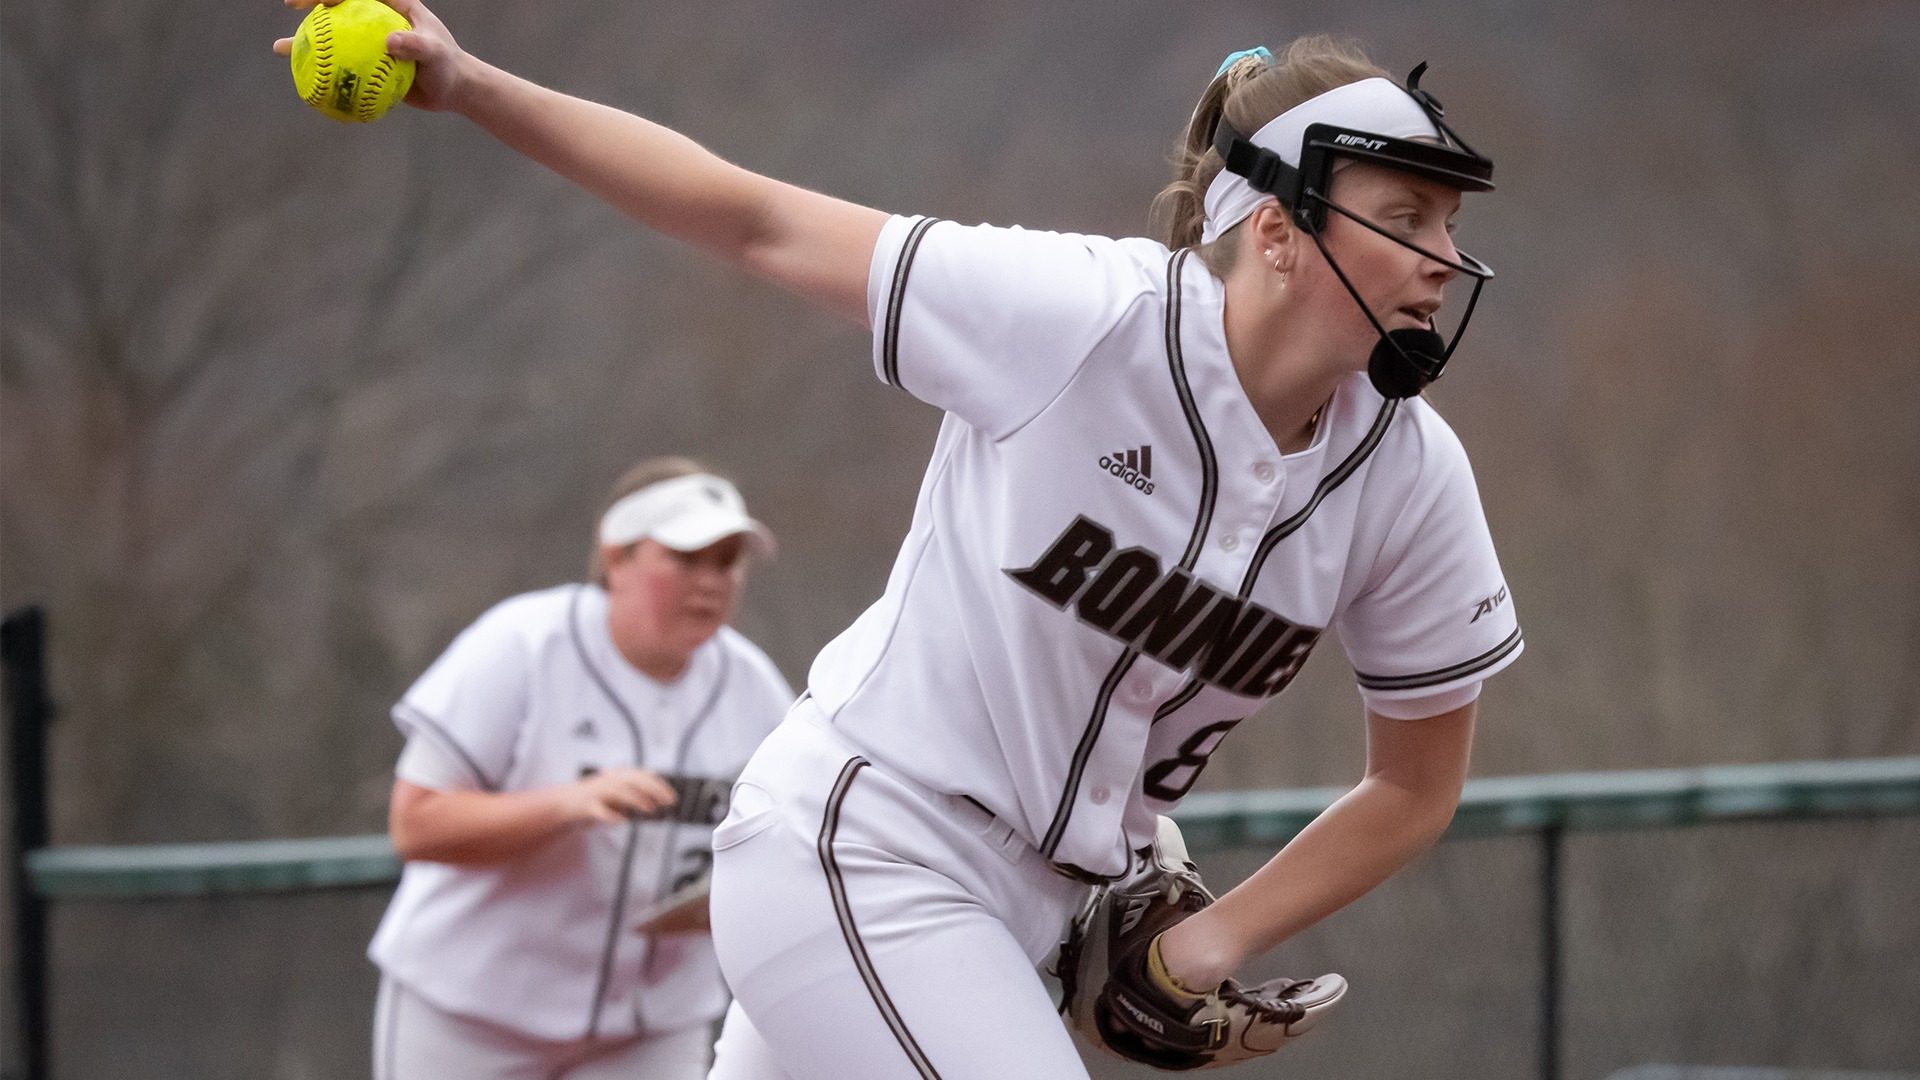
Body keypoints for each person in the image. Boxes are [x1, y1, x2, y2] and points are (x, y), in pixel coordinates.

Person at [274, 8, 1524, 1077]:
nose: (1444, 258)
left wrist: (1205, 945)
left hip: (1031, 923)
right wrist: (472, 84)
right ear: (1277, 231)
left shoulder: (1408, 477)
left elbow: (1414, 787)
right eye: (1407, 215)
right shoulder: (1085, 320)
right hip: (865, 848)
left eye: (1449, 223)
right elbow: (753, 220)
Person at [365, 457, 795, 1080]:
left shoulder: (755, 688)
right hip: (471, 1017)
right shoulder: (523, 644)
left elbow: (798, 840)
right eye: (686, 557)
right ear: (616, 558)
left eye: (727, 561)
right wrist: (563, 805)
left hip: (650, 1028)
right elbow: (415, 826)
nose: (711, 581)